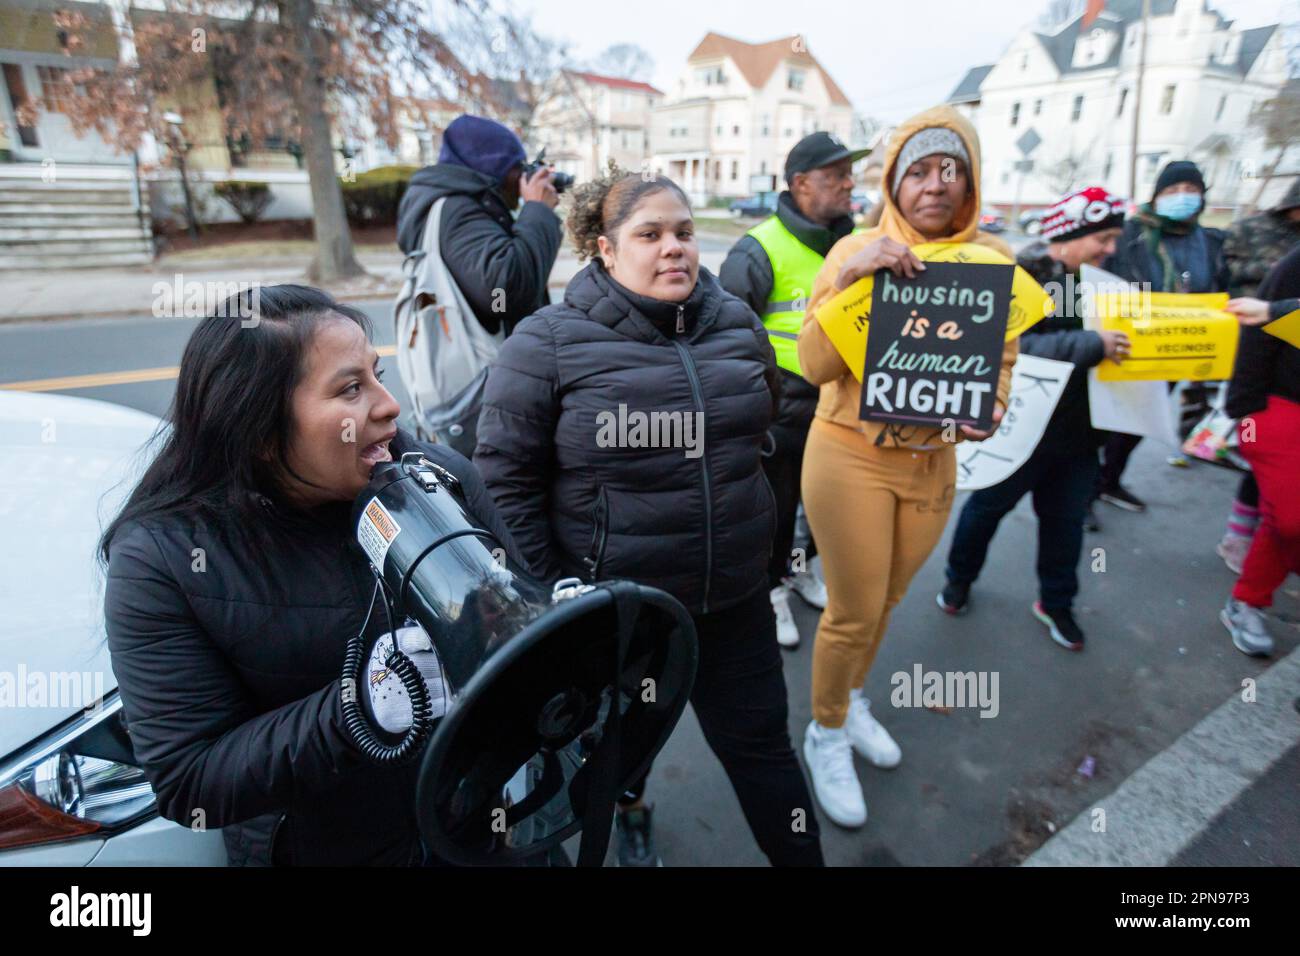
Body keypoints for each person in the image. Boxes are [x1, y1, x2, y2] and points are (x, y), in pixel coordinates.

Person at [101, 285, 524, 866]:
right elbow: (190, 778)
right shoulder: (163, 560)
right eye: (351, 389)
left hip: (473, 834)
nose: (389, 405)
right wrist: (358, 710)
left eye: (377, 375)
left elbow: (520, 624)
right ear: (262, 434)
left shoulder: (439, 479)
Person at [473, 168, 824, 867]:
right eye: (651, 234)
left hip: (733, 604)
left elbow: (765, 429)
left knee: (764, 751)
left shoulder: (737, 325)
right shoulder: (546, 344)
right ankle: (630, 817)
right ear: (605, 250)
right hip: (617, 619)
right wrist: (551, 600)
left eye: (686, 233)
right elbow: (502, 482)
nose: (675, 248)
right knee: (618, 752)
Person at [796, 105, 1017, 827]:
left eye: (949, 170)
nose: (933, 185)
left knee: (887, 602)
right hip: (849, 456)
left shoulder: (994, 264)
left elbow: (1002, 368)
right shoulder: (854, 249)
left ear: (971, 182)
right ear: (894, 180)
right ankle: (825, 731)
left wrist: (990, 411)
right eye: (917, 170)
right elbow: (814, 362)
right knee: (852, 608)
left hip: (932, 467)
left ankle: (849, 699)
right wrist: (850, 277)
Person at [939, 187, 1131, 651]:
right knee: (985, 511)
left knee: (1065, 525)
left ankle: (1057, 603)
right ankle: (958, 580)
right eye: (1102, 238)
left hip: (1081, 436)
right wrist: (1092, 346)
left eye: (1113, 239)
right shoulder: (1024, 273)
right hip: (1020, 431)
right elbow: (1007, 347)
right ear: (1069, 234)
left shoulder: (1108, 281)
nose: (1110, 249)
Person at [719, 131, 868, 647]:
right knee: (776, 510)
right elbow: (724, 338)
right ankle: (771, 588)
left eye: (851, 173)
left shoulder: (859, 243)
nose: (850, 184)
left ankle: (798, 571)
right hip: (779, 412)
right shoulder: (758, 248)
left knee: (825, 507)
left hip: (843, 408)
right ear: (801, 184)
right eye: (837, 176)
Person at [1099, 159, 1229, 512]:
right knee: (1105, 421)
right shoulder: (1128, 236)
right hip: (1124, 345)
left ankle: (1108, 481)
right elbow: (1103, 283)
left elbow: (1218, 289)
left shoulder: (1212, 242)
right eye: (1172, 191)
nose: (1182, 197)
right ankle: (1081, 494)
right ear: (1155, 197)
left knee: (1140, 421)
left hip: (1174, 351)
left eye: (1191, 190)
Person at [396, 114, 562, 338]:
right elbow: (501, 296)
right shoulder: (457, 210)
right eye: (517, 166)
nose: (522, 176)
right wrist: (537, 210)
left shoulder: (464, 204)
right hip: (486, 367)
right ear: (495, 168)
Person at [1214, 180, 1300, 573]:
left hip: (1263, 330)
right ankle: (1238, 539)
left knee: (1279, 493)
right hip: (1262, 382)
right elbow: (1224, 271)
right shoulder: (1281, 254)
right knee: (1262, 469)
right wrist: (1244, 406)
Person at [1219, 246, 1300, 657]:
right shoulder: (1293, 265)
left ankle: (1249, 598)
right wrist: (1244, 408)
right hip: (1280, 404)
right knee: (1291, 518)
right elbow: (1256, 338)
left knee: (1284, 517)